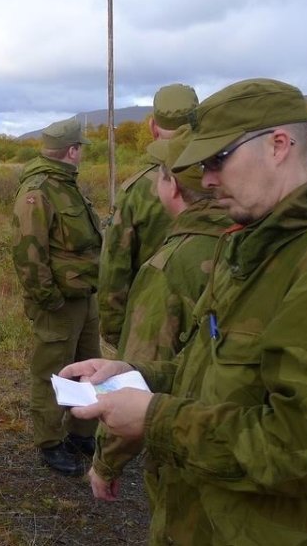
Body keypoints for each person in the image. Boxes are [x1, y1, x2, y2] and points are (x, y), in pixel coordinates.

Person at [62, 78, 307, 544]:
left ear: (278, 145)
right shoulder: (256, 249)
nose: (207, 180)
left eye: (218, 160)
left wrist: (155, 418)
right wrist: (137, 375)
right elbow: (225, 377)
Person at [88, 125, 230, 504]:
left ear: (170, 187)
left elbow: (141, 378)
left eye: (162, 175)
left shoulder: (171, 268)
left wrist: (106, 461)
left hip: (197, 462)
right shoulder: (249, 238)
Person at [11, 118, 103, 476]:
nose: (82, 153)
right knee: (52, 373)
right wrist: (50, 301)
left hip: (84, 298)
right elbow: (28, 254)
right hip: (59, 303)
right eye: (81, 148)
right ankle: (49, 442)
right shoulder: (39, 190)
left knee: (88, 367)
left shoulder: (68, 185)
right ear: (72, 150)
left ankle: (81, 432)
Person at [97, 83, 198, 348]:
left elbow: (114, 269)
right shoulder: (228, 179)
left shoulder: (136, 190)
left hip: (150, 329)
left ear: (153, 127)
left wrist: (114, 336)